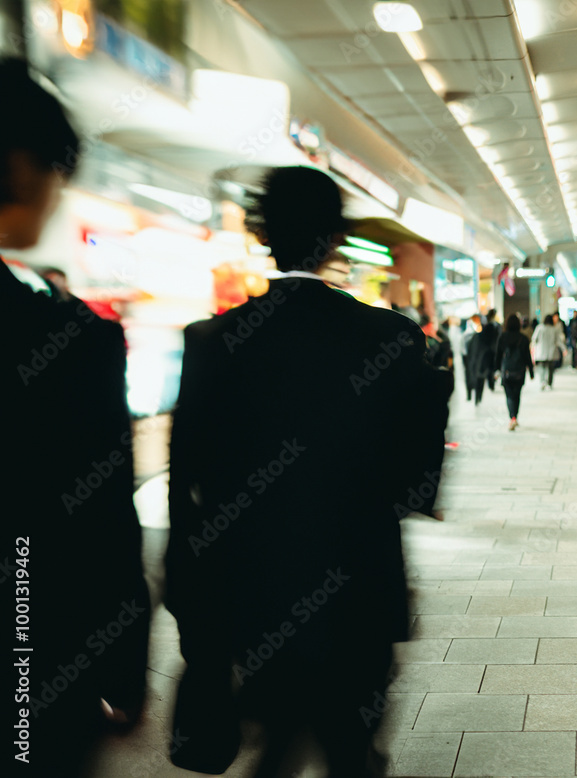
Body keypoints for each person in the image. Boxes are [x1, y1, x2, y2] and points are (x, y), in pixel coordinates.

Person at [166, 166, 449, 776]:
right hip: (360, 594)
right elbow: (419, 475)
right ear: (335, 241)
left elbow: (184, 483)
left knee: (279, 735)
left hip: (252, 597)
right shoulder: (390, 339)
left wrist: (193, 601)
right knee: (352, 745)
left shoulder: (212, 343)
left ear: (264, 235)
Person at [0, 58, 151, 777]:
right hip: (32, 661)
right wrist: (123, 667)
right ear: (27, 168)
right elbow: (101, 525)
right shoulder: (67, 342)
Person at [494, 314, 534, 430]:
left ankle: (512, 417)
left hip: (506, 371)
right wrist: (531, 371)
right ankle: (514, 417)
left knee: (509, 396)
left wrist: (496, 369)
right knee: (517, 395)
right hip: (520, 371)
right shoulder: (523, 338)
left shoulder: (502, 337)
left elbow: (498, 356)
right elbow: (527, 356)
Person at [531, 314, 563, 390]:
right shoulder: (554, 329)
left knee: (541, 367)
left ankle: (542, 381)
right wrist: (564, 349)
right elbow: (558, 341)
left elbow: (534, 339)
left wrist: (533, 347)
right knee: (550, 369)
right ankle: (549, 383)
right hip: (551, 352)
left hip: (541, 351)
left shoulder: (539, 328)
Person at [482, 308, 501, 391]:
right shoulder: (495, 325)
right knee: (493, 367)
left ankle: (491, 382)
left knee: (491, 367)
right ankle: (492, 382)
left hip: (490, 350)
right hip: (493, 349)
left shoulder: (488, 325)